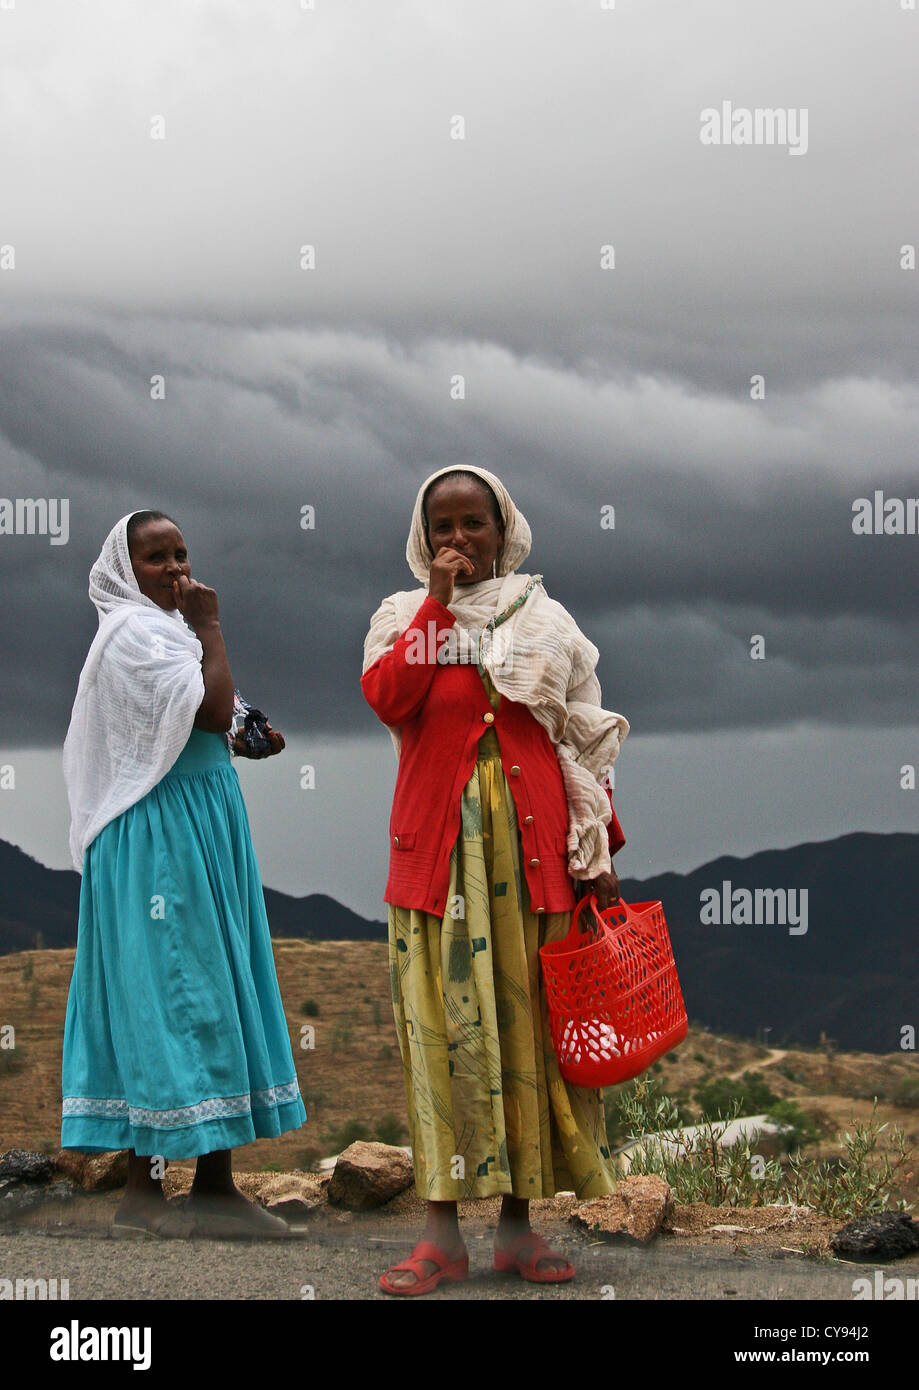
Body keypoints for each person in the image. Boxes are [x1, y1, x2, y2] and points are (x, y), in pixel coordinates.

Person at [361, 466, 629, 1294]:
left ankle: (517, 1230)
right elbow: (388, 698)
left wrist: (601, 857)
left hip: (535, 859)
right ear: (422, 537)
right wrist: (438, 604)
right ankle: (440, 1236)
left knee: (528, 1043)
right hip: (437, 863)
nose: (458, 540)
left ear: (502, 528)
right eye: (442, 527)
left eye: (472, 524)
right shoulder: (402, 618)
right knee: (443, 1042)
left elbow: (579, 740)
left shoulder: (545, 620)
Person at [61, 510, 306, 1238]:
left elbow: (220, 718)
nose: (175, 569)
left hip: (197, 823)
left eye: (181, 554)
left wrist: (249, 735)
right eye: (155, 559)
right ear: (124, 572)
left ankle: (186, 1189)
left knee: (203, 987)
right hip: (160, 833)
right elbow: (208, 710)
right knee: (176, 990)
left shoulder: (160, 634)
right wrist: (213, 628)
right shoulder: (135, 634)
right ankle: (174, 1192)